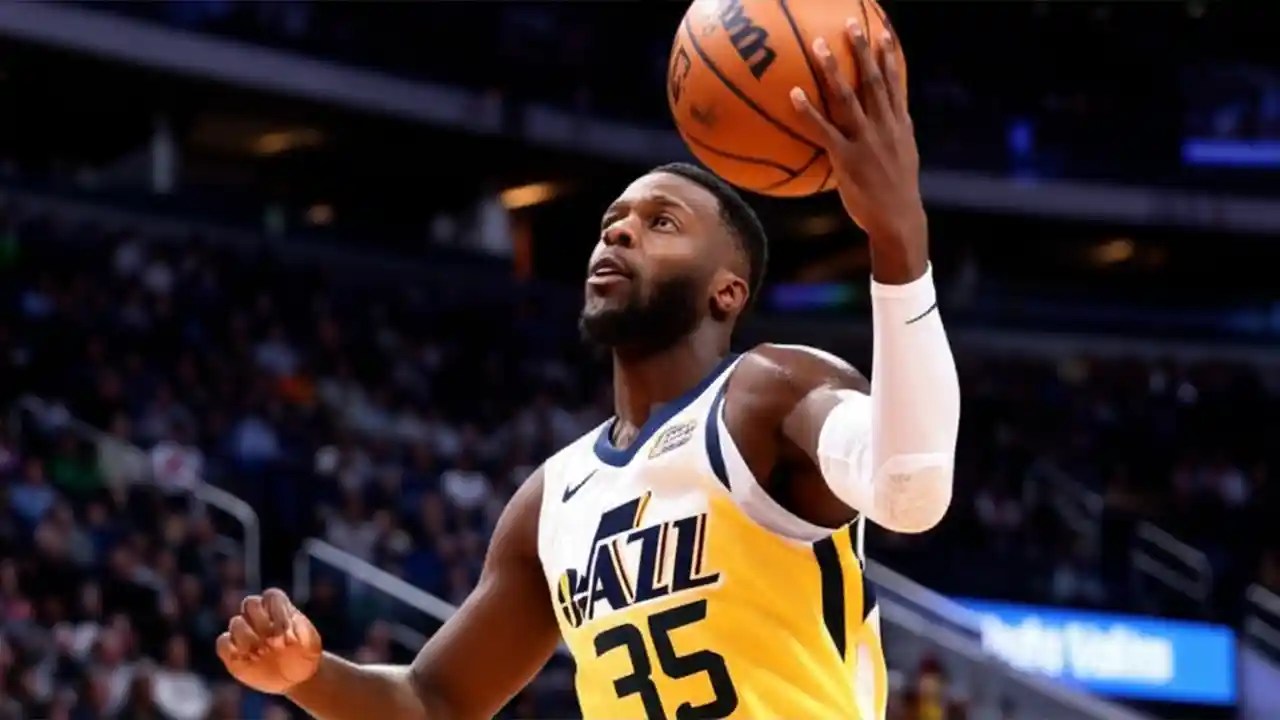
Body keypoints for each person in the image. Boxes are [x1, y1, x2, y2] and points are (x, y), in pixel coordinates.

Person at [215, 20, 959, 720]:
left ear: (725, 290)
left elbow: (912, 490)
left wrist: (898, 244)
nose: (622, 232)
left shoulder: (772, 393)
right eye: (612, 224)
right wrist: (308, 677)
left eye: (660, 222)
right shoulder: (555, 498)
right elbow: (435, 701)